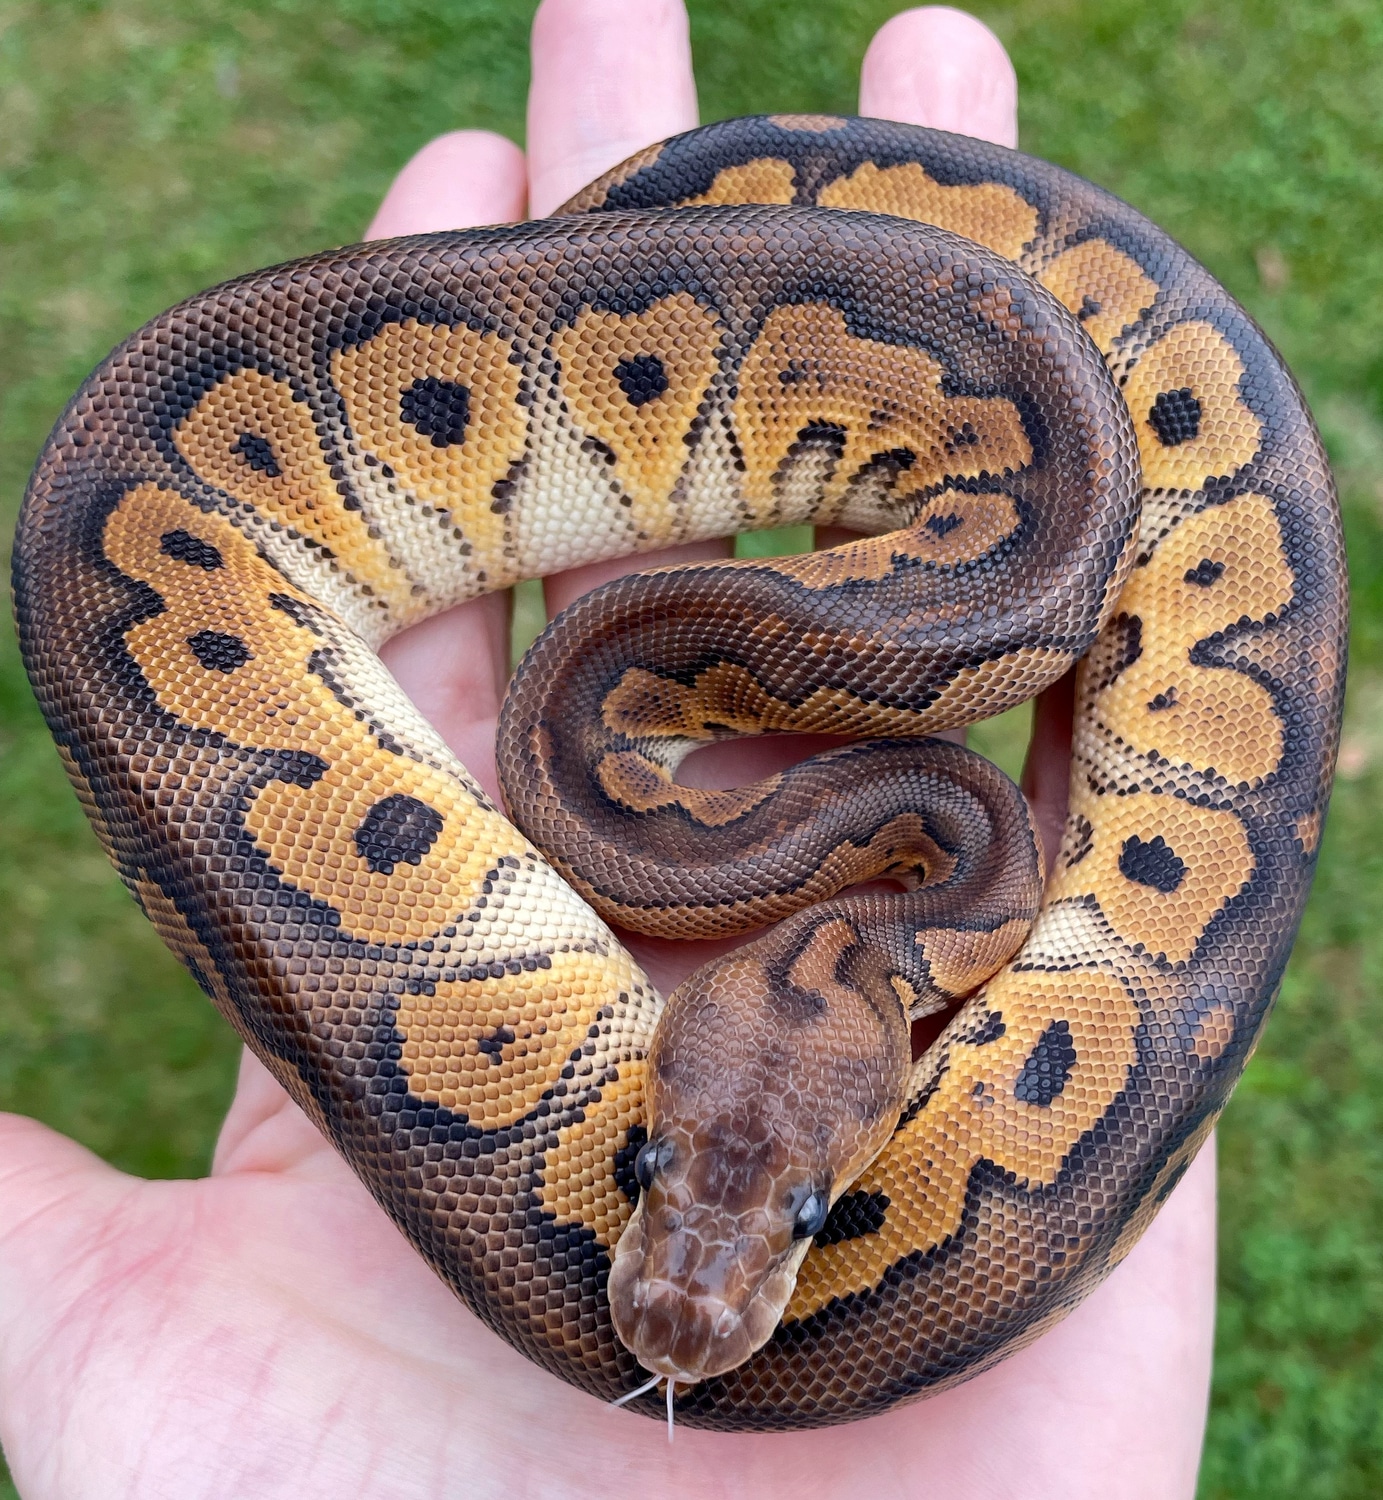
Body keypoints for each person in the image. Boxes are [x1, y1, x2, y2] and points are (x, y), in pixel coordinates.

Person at [0, 4, 1214, 1494]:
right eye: (796, 1220)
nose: (683, 1302)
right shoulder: (937, 856)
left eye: (641, 1169)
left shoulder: (888, 880)